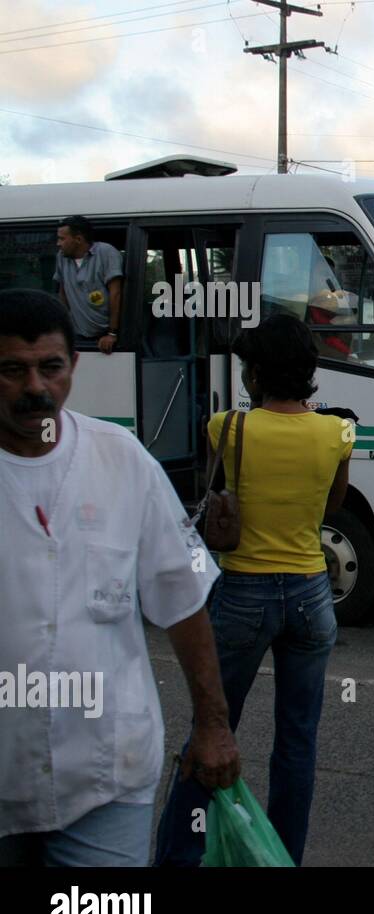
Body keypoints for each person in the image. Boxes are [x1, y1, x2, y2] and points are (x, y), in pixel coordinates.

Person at [0, 290, 238, 866]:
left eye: (51, 368)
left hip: (107, 773)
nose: (37, 388)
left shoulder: (121, 458)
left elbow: (183, 597)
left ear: (74, 366)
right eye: (13, 370)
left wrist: (213, 726)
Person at [155, 315, 353, 865]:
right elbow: (332, 505)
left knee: (212, 731)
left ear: (257, 372)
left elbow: (222, 488)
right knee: (297, 742)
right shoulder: (337, 432)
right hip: (313, 595)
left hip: (243, 591)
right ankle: (282, 855)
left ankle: (179, 854)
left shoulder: (228, 427)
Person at [52, 216, 122, 355]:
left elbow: (116, 293)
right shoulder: (62, 257)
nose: (58, 243)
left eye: (62, 239)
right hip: (79, 336)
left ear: (78, 239)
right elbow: (63, 292)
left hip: (106, 335)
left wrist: (112, 333)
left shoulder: (106, 253)